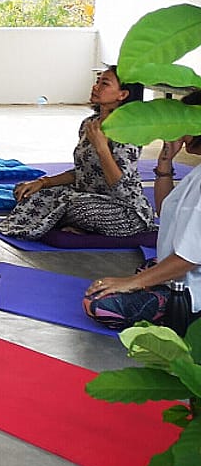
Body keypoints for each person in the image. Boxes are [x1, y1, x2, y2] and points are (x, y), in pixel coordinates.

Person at [84, 90, 201, 329]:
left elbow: (190, 257)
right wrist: (165, 161)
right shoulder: (89, 126)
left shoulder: (123, 140)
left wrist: (131, 282)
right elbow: (167, 209)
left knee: (98, 304)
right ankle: (157, 282)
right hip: (178, 268)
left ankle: (170, 300)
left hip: (188, 286)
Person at [0, 66, 155, 240]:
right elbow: (82, 173)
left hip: (122, 211)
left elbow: (122, 189)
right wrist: (42, 183)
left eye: (104, 84)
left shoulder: (128, 132)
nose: (96, 87)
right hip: (85, 196)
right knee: (28, 192)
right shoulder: (90, 123)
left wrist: (102, 148)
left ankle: (68, 221)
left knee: (78, 207)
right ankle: (66, 220)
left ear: (122, 95)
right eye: (97, 82)